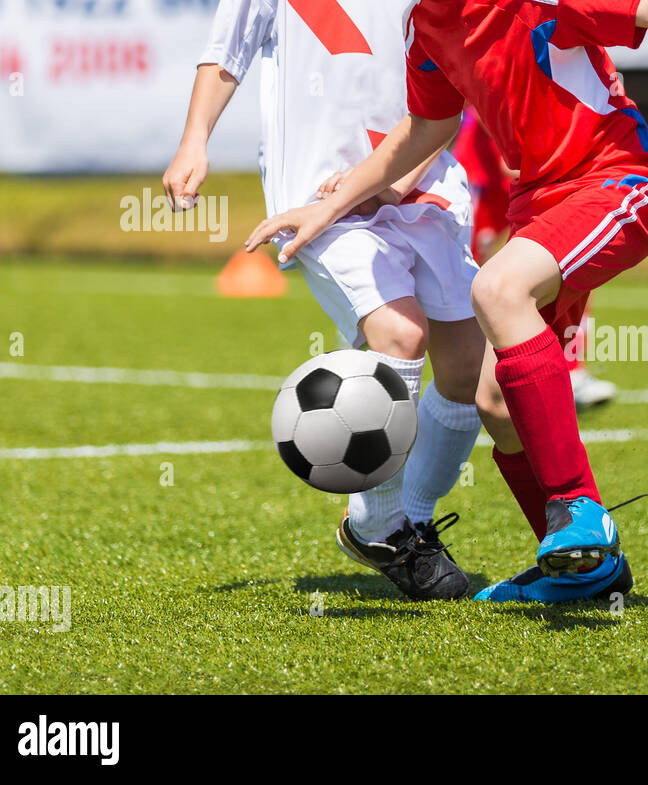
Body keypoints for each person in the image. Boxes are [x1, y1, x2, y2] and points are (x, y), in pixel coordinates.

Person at [247, 0, 648, 602]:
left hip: (616, 182)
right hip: (539, 210)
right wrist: (328, 205)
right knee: (494, 401)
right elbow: (428, 125)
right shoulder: (429, 27)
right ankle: (584, 568)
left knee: (495, 289)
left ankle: (579, 509)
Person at [165, 0, 500, 600]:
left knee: (468, 370)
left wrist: (395, 182)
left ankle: (408, 519)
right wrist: (194, 140)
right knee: (401, 333)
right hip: (315, 191)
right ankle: (380, 523)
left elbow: (455, 81)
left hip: (420, 181)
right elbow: (228, 47)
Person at [452, 109, 620, 410]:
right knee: (458, 270)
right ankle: (389, 333)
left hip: (541, 173)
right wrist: (509, 145)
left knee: (569, 266)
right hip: (484, 172)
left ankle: (571, 371)